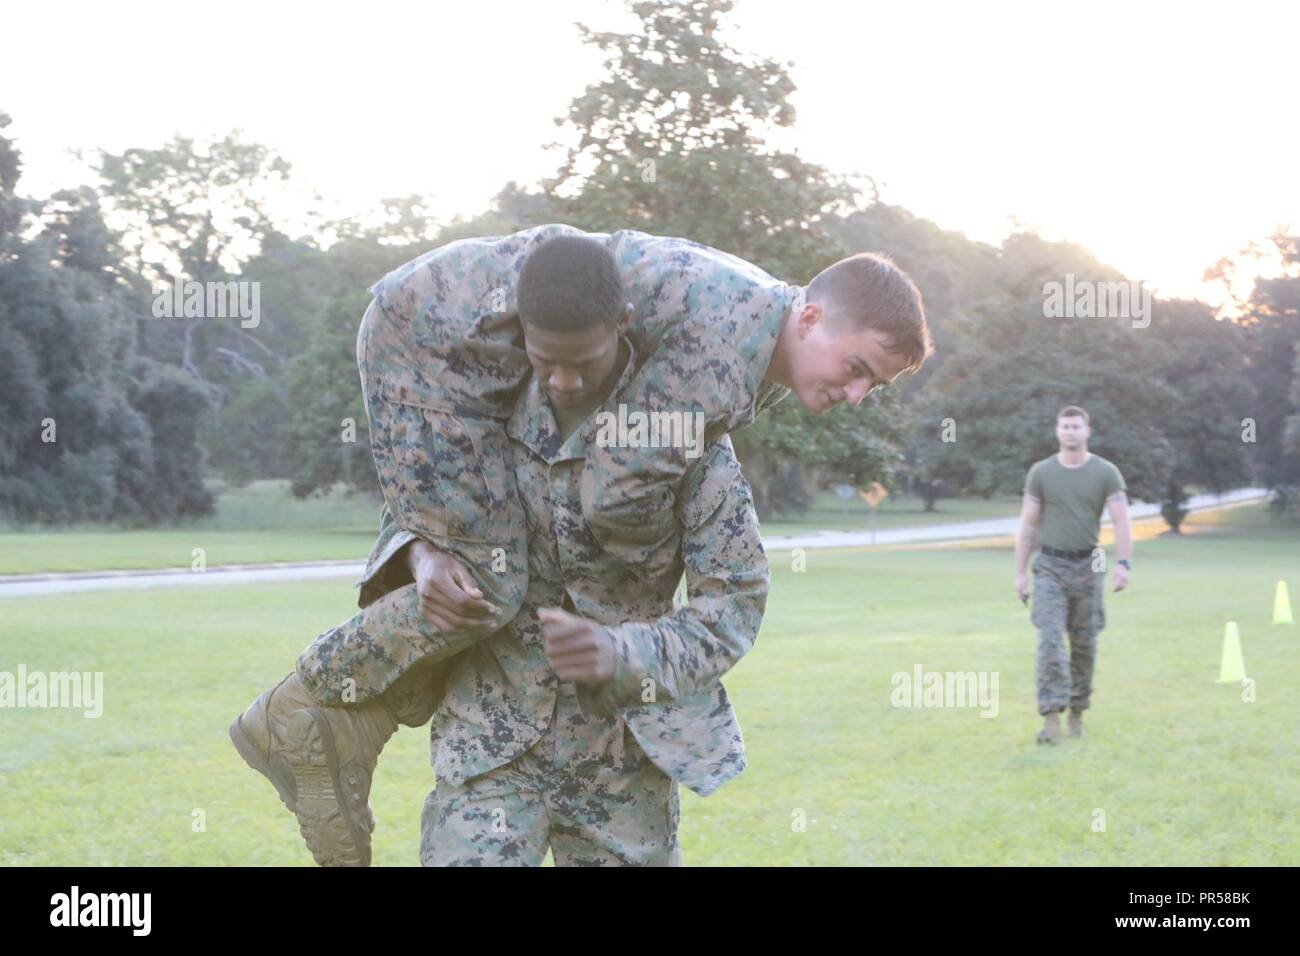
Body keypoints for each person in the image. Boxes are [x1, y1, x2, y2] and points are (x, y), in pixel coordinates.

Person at [231, 227, 930, 864]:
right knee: (483, 573)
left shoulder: (700, 446)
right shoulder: (480, 416)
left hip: (620, 759)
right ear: (530, 341)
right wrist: (424, 553)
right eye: (858, 367)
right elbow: (423, 499)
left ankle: (332, 713)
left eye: (587, 362)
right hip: (490, 751)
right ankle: (323, 709)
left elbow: (734, 607)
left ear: (628, 334)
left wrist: (624, 650)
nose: (856, 392)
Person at [1014, 406, 1132, 744]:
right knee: (1050, 641)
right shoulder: (1041, 472)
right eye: (1064, 426)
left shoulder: (1106, 472)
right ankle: (1051, 718)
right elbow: (1028, 524)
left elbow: (1122, 520)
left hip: (1091, 561)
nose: (1070, 432)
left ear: (1086, 431)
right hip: (1050, 565)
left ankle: (1078, 713)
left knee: (1085, 643)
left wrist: (1124, 564)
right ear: (1057, 431)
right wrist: (1020, 573)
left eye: (1075, 426)